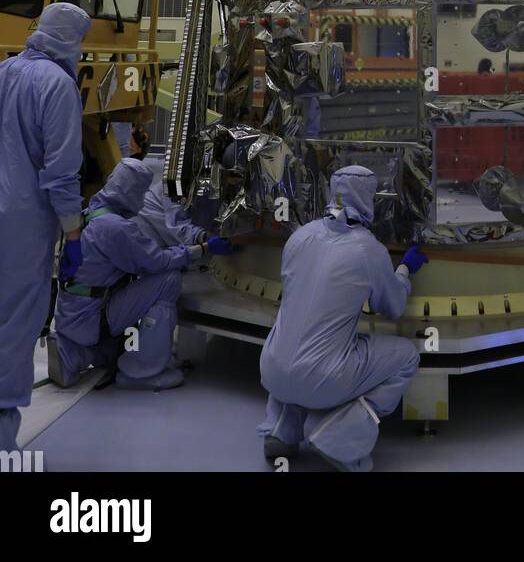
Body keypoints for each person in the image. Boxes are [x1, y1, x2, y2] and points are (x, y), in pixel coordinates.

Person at [259, 165, 426, 472]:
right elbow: (393, 306)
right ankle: (338, 438)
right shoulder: (367, 249)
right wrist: (403, 270)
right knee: (407, 356)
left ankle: (279, 432)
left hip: (271, 368)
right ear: (367, 198)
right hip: (323, 380)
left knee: (298, 337)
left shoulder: (300, 235)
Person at [47, 158, 236, 392]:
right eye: (140, 192)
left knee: (110, 343)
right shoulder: (114, 227)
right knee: (168, 280)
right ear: (130, 191)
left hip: (73, 314)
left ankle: (75, 353)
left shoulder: (91, 214)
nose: (141, 199)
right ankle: (141, 372)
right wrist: (204, 248)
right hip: (93, 317)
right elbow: (158, 262)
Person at [0, 1, 91, 451]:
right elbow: (59, 174)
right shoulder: (57, 85)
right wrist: (73, 236)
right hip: (22, 228)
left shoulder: (5, 71)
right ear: (73, 41)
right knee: (15, 328)